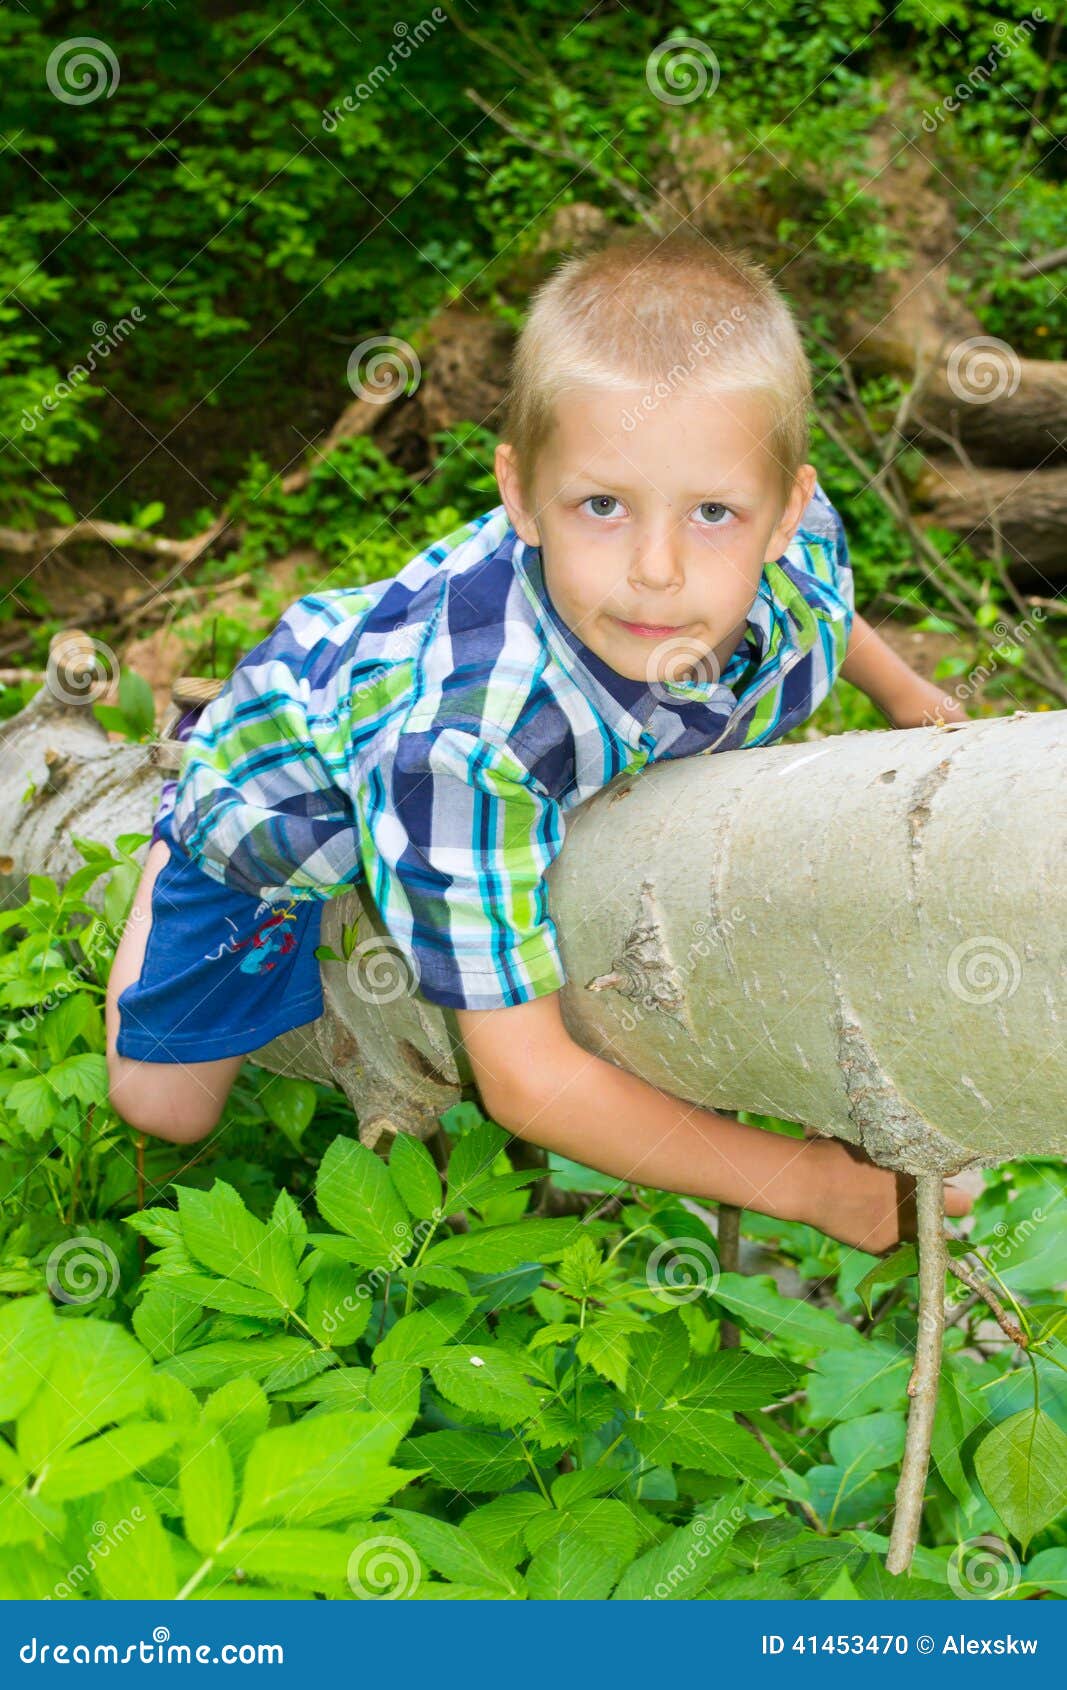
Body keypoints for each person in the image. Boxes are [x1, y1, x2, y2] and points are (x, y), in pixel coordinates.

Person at [105, 226, 972, 1254]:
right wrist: (812, 1187)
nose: (656, 568)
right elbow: (527, 1080)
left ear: (785, 511)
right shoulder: (467, 746)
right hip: (290, 775)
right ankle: (181, 808)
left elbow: (831, 611)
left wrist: (915, 703)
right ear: (518, 492)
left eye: (710, 513)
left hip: (442, 673)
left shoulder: (794, 539)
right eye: (600, 504)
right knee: (163, 1103)